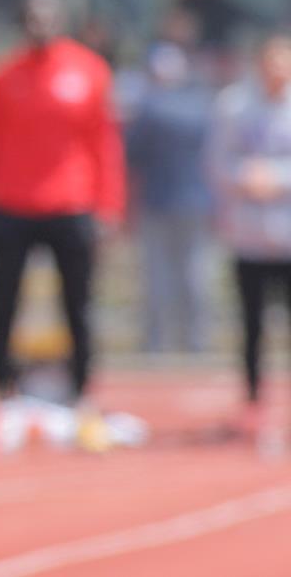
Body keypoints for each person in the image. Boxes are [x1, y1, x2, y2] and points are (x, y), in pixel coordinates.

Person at [0, 0, 125, 409]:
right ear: (23, 23)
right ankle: (1, 384)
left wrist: (108, 205)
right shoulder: (5, 75)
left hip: (71, 206)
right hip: (11, 205)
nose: (41, 25)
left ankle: (81, 386)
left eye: (48, 17)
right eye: (32, 18)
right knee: (4, 302)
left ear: (61, 20)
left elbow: (104, 145)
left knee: (78, 303)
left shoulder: (89, 71)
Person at [207, 31, 291, 439]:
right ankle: (254, 401)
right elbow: (217, 162)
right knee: (252, 324)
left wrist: (276, 178)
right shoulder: (234, 105)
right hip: (250, 236)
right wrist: (244, 178)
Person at [124, 39, 216, 353]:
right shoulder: (201, 106)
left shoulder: (150, 108)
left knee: (161, 276)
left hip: (160, 200)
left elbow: (131, 151)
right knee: (192, 275)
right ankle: (194, 340)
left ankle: (158, 342)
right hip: (192, 201)